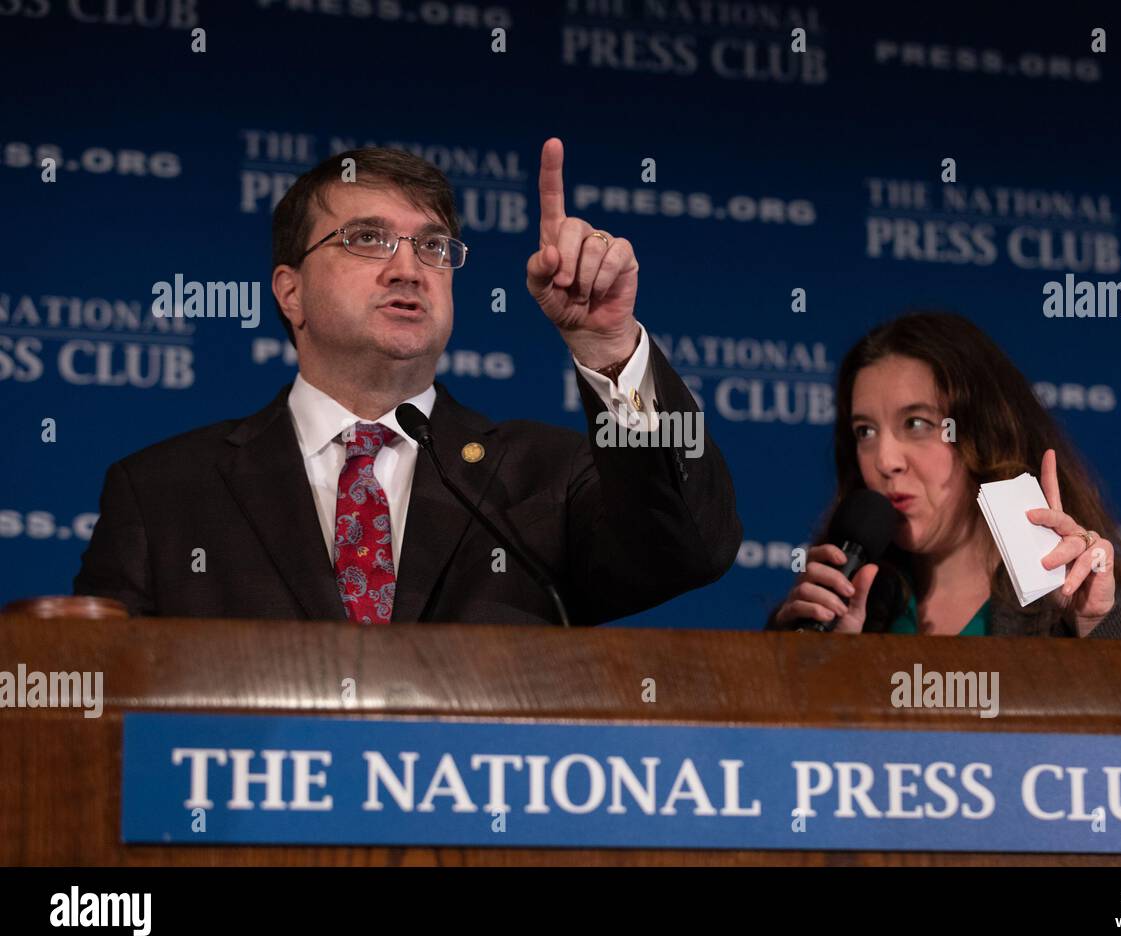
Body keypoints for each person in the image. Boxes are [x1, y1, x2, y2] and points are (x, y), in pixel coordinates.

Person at [73, 139, 741, 625]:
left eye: (433, 247)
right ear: (290, 291)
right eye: (367, 239)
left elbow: (690, 548)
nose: (408, 268)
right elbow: (103, 705)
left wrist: (608, 343)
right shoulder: (162, 493)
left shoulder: (545, 477)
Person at [769, 311, 1121, 639]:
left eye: (916, 423)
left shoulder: (1067, 601)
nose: (885, 460)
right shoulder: (839, 606)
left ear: (981, 432)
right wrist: (817, 663)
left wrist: (1094, 623)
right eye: (865, 432)